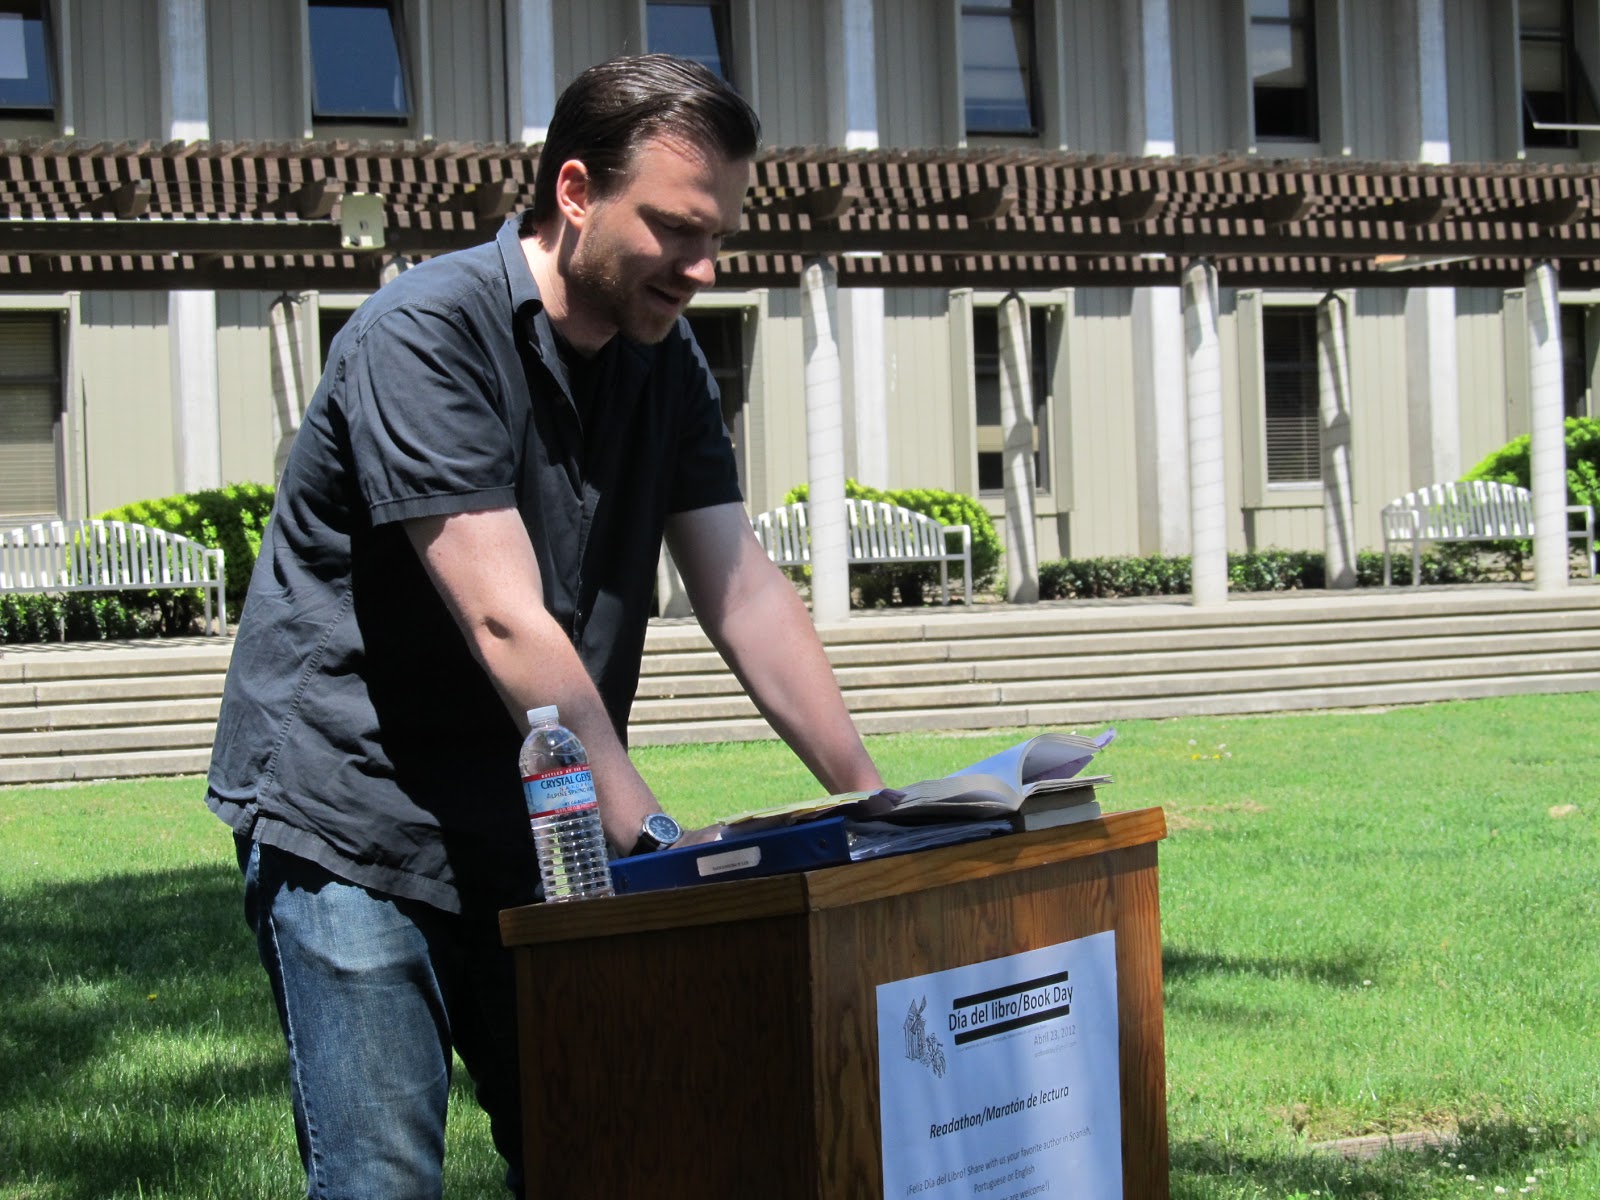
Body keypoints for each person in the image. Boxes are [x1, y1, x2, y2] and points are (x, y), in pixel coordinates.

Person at [205, 54, 883, 1199]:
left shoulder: (665, 367)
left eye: (718, 233)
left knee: (605, 1150)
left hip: (534, 819)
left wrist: (876, 805)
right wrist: (650, 844)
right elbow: (505, 618)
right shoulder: (422, 337)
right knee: (382, 1182)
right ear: (574, 191)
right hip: (358, 822)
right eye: (673, 228)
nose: (703, 267)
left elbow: (742, 590)